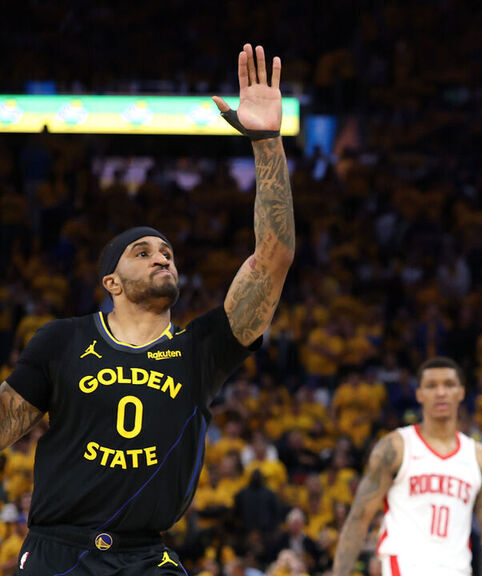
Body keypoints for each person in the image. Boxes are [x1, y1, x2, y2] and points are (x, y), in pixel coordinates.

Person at [0, 43, 294, 575]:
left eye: (168, 252)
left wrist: (267, 141)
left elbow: (272, 258)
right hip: (58, 552)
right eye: (144, 252)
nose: (161, 257)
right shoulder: (60, 341)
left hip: (147, 556)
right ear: (111, 281)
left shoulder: (200, 350)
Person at [332, 356, 482, 576]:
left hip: (457, 569)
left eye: (449, 385)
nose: (441, 392)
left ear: (461, 392)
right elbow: (359, 517)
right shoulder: (396, 447)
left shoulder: (481, 459)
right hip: (406, 567)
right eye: (431, 386)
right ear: (419, 394)